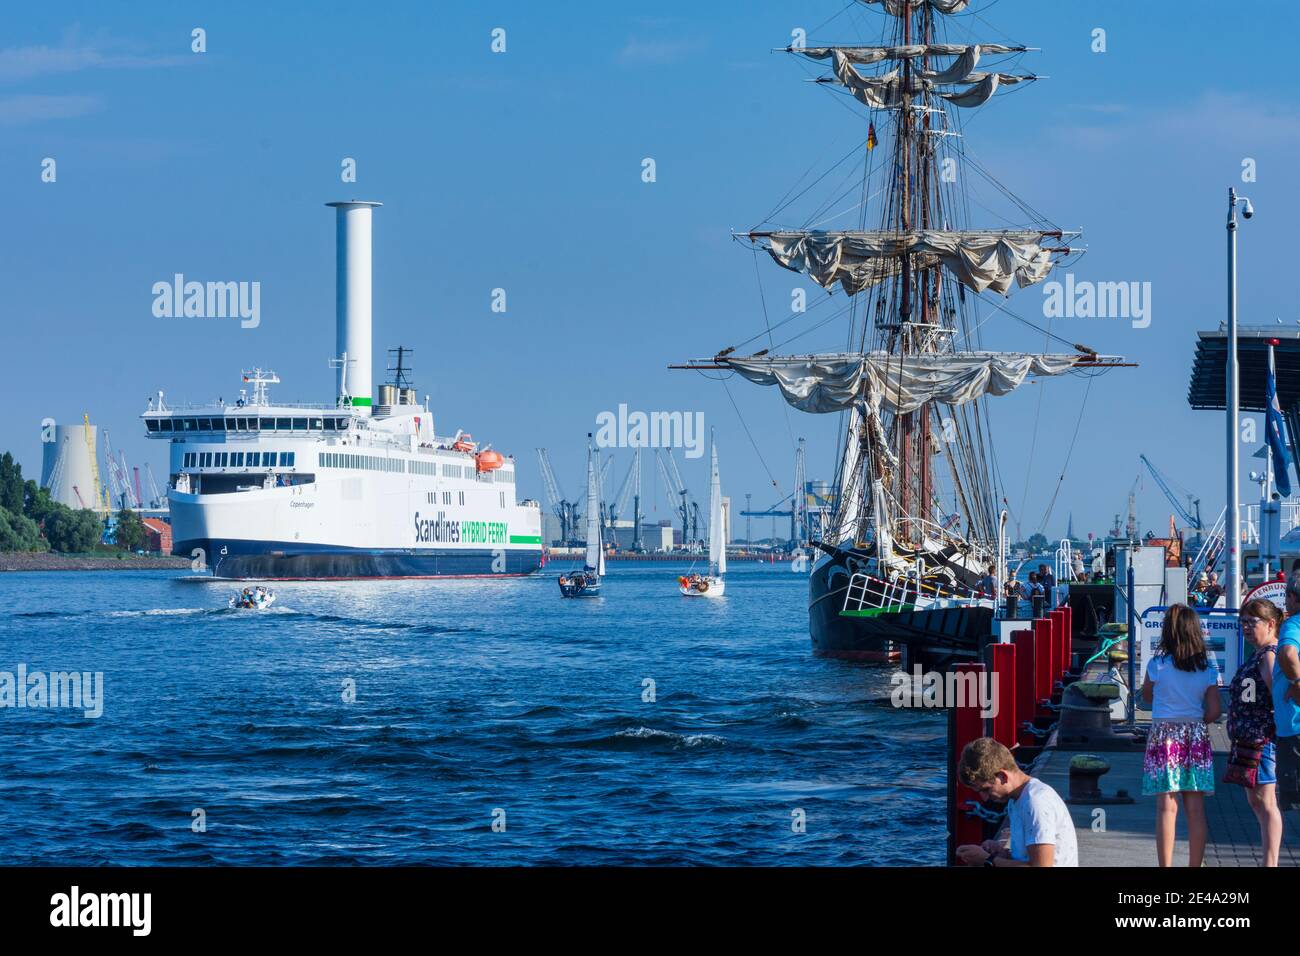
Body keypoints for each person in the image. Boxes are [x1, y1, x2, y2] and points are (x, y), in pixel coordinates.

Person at [1139, 603, 1223, 867]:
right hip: (1195, 735)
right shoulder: (1207, 669)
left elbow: (1147, 697)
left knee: (1167, 807)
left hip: (1164, 734)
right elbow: (1214, 711)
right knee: (1195, 810)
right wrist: (1196, 719)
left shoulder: (1157, 665)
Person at [954, 737, 1078, 867]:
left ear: (1003, 776)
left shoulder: (1036, 802)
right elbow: (1029, 858)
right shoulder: (1017, 799)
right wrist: (1003, 854)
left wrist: (988, 860)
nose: (984, 798)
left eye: (986, 789)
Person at [1228, 599, 1282, 866]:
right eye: (1243, 623)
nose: (1246, 628)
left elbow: (1279, 696)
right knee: (1255, 801)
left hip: (1261, 739)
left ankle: (1269, 863)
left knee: (1266, 801)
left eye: (1252, 622)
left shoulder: (1269, 655)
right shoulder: (1257, 653)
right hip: (1246, 739)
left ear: (1271, 624)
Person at [1275, 573, 1300, 814]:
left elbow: (1288, 653)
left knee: (1293, 801)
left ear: (1293, 597)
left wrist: (1296, 681)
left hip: (1294, 725)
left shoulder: (1293, 624)